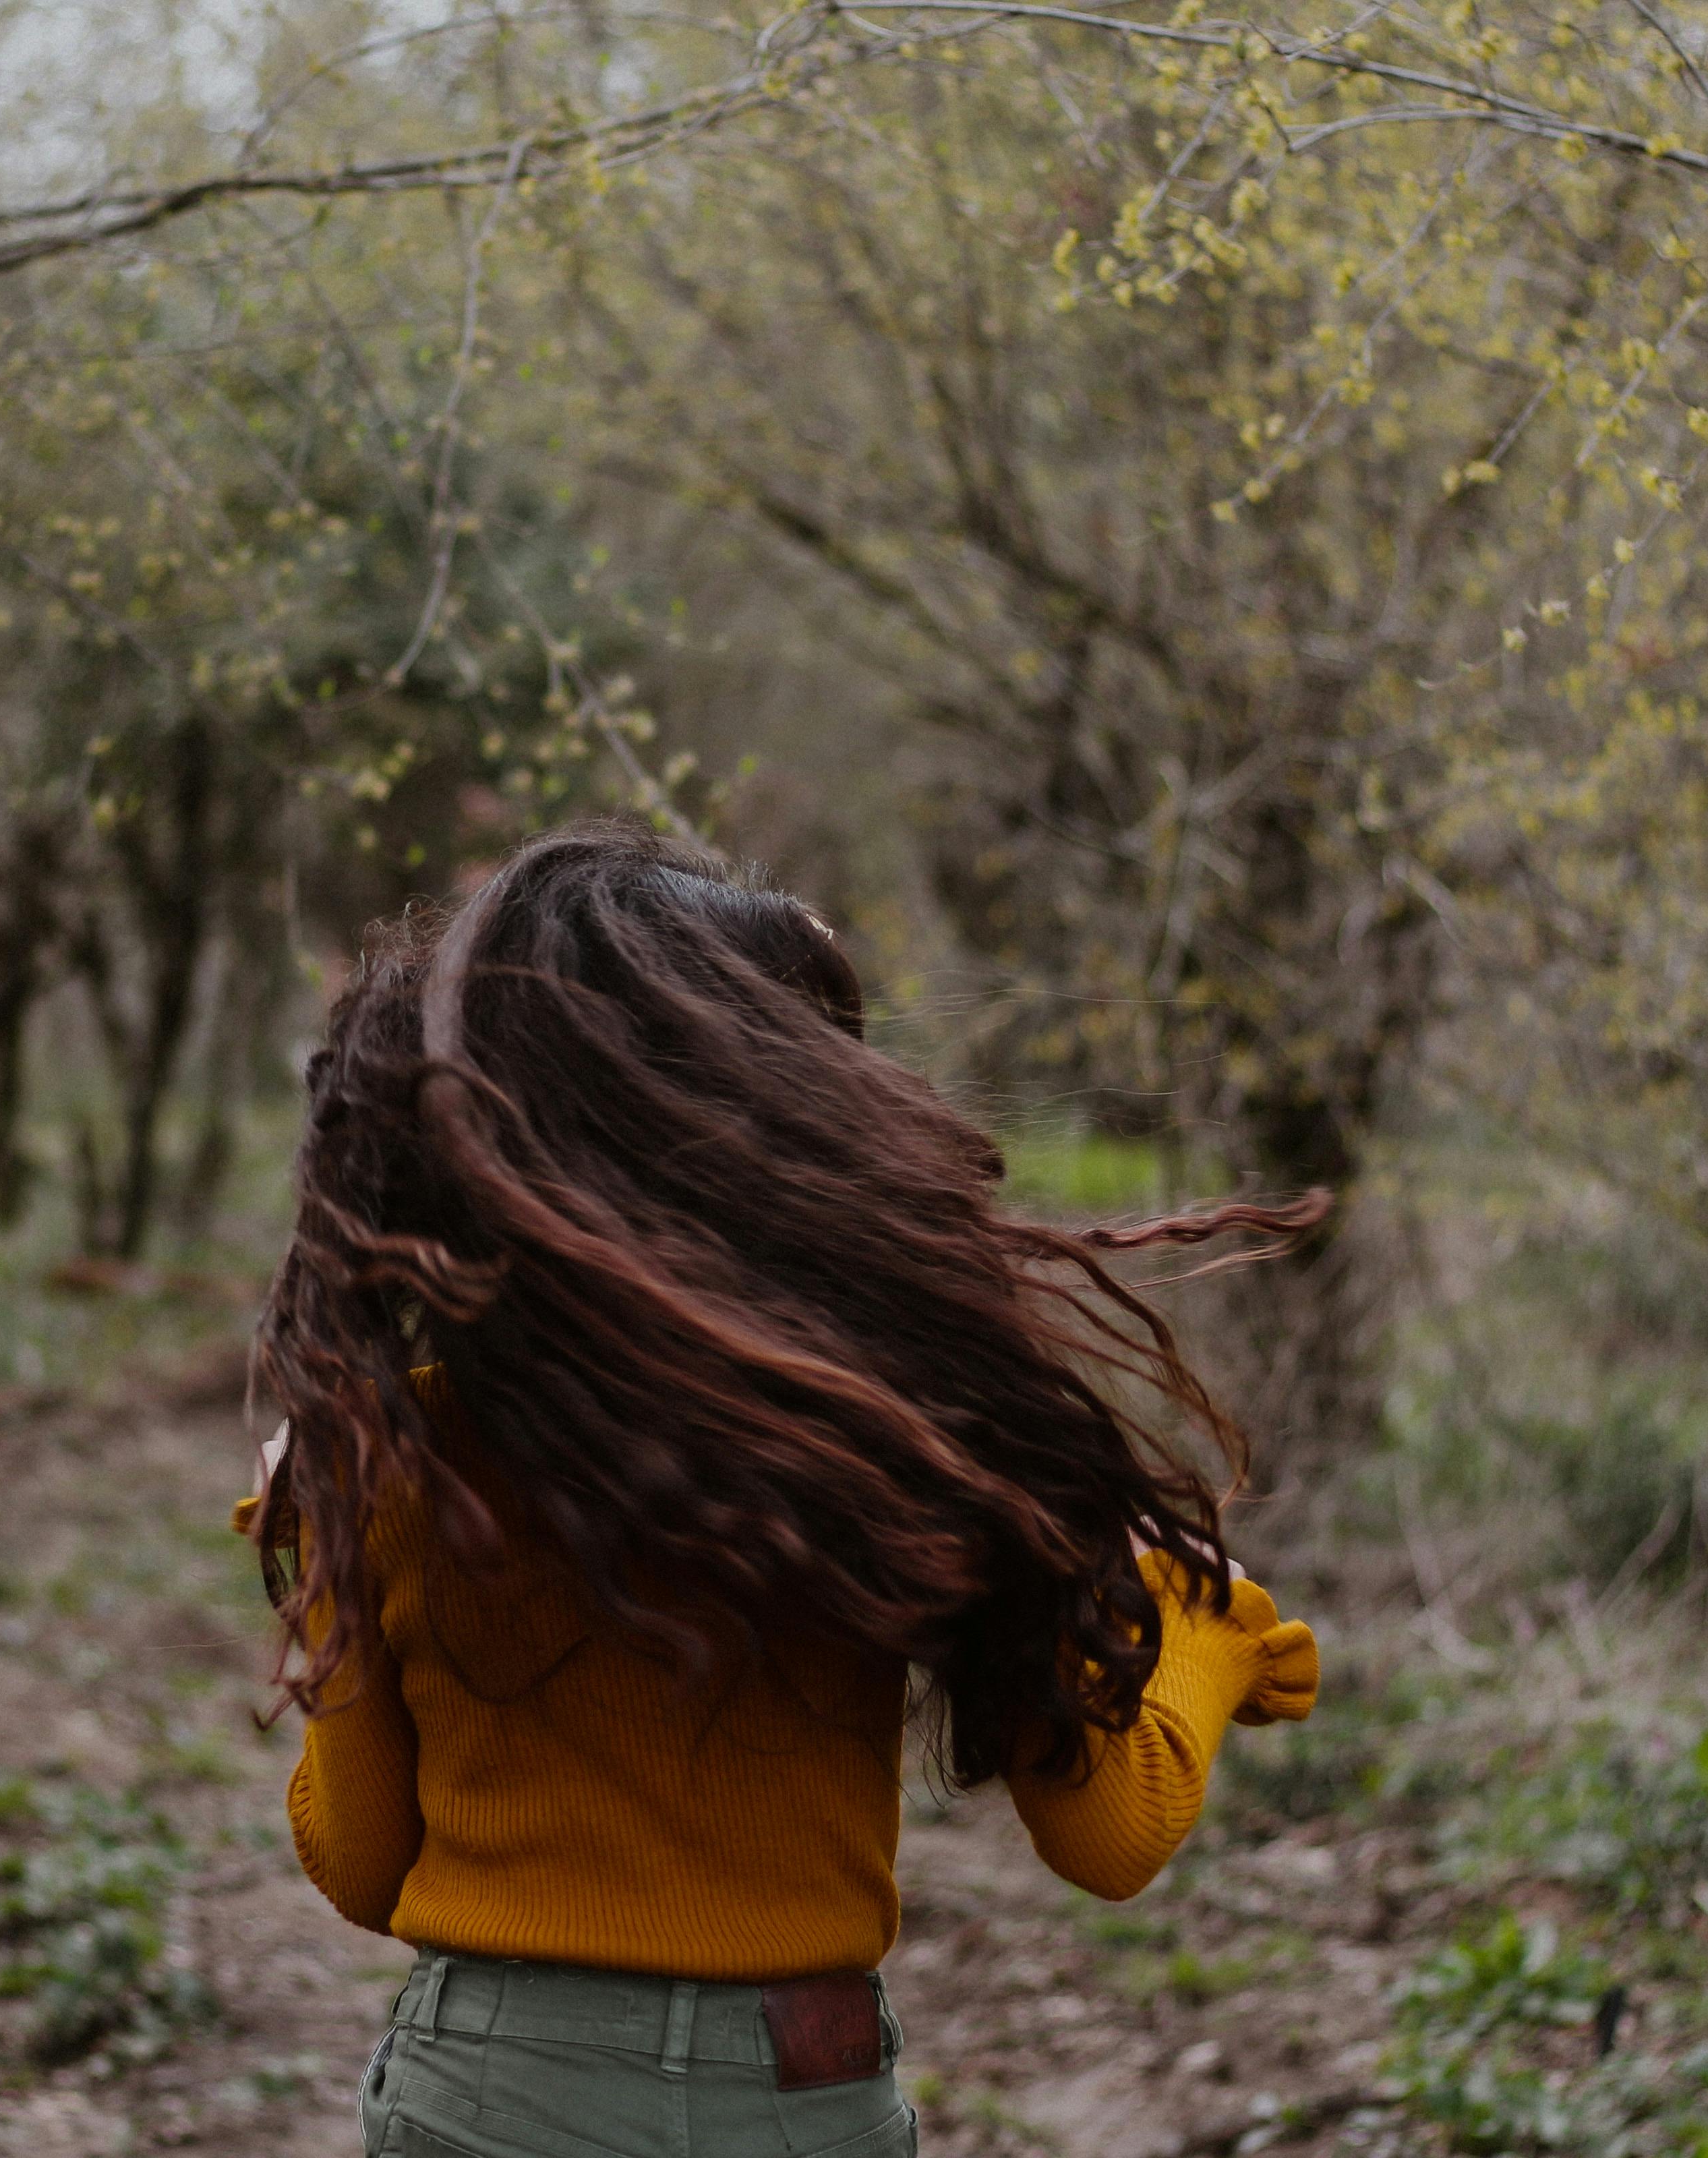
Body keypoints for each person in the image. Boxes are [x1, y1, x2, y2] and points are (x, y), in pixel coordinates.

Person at [235, 822, 1320, 2158]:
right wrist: (1197, 1632)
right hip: (797, 2096)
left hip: (489, 2090)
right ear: (806, 1124)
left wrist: (323, 1554)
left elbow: (358, 1861)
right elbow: (1110, 1836)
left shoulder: (408, 1458)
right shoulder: (908, 1434)